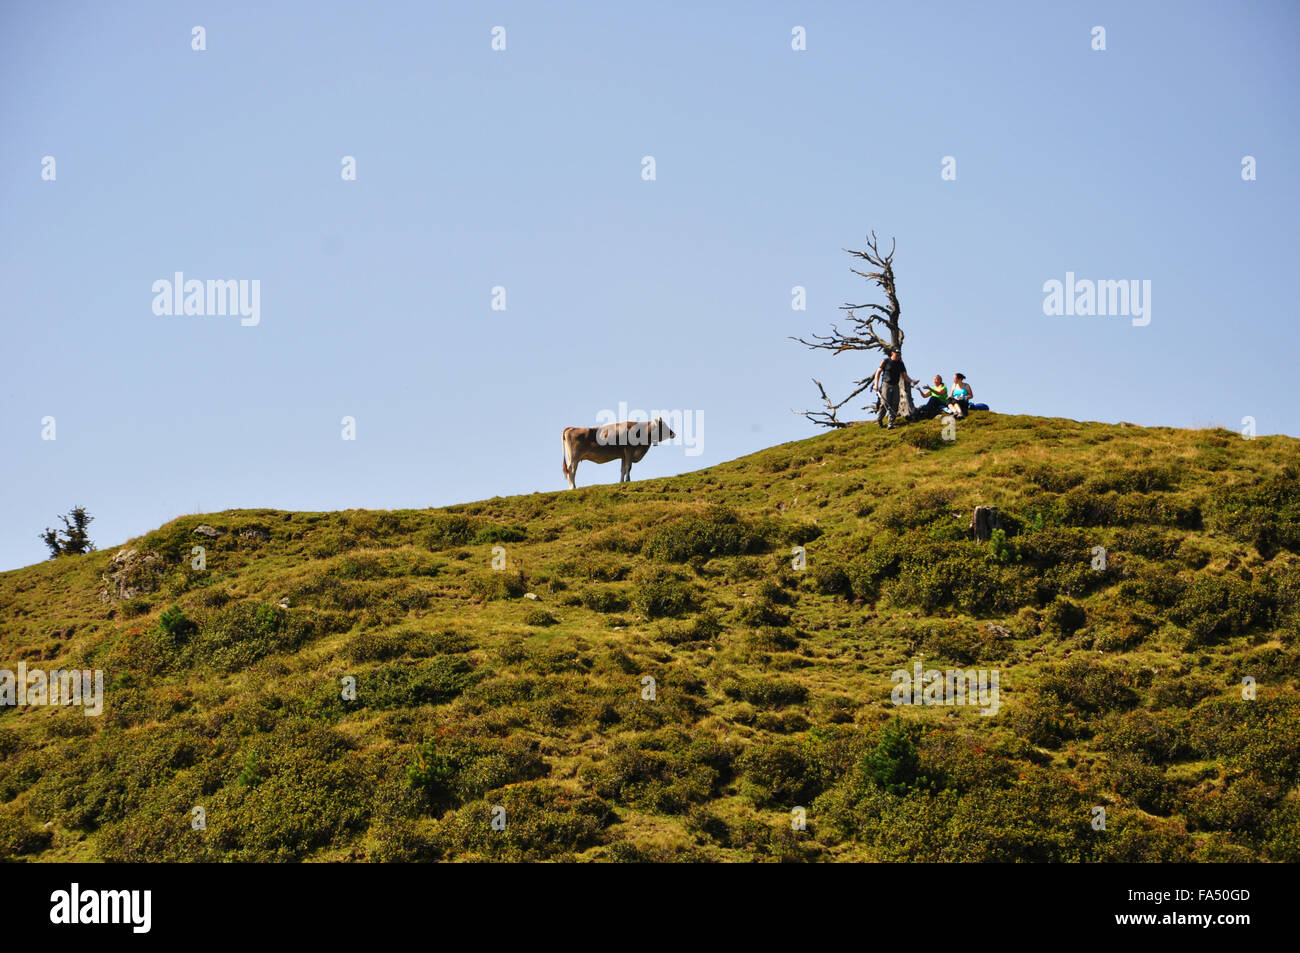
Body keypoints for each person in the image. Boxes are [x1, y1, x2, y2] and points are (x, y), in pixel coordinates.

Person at [873, 350, 917, 429]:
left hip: (895, 385)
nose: (898, 356)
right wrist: (876, 384)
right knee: (885, 403)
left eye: (899, 355)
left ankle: (890, 424)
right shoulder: (886, 361)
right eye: (896, 355)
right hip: (886, 384)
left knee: (895, 404)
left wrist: (912, 382)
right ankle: (879, 420)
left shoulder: (900, 364)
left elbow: (905, 376)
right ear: (892, 353)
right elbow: (878, 372)